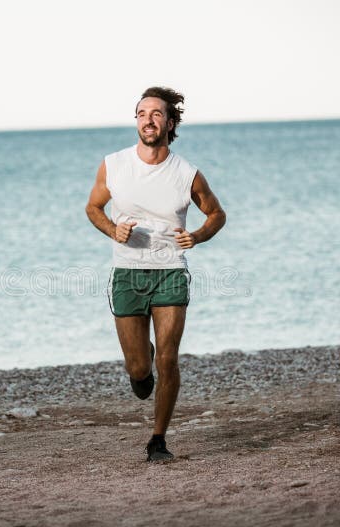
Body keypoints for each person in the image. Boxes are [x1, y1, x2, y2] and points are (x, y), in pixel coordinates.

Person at [85, 87, 226, 461]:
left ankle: (158, 440)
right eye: (142, 113)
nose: (148, 119)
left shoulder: (186, 173)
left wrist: (195, 236)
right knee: (140, 369)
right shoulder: (113, 165)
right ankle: (140, 365)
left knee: (169, 360)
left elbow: (217, 214)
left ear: (171, 123)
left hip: (170, 272)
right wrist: (112, 228)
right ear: (136, 120)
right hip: (128, 273)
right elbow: (94, 207)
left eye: (156, 114)